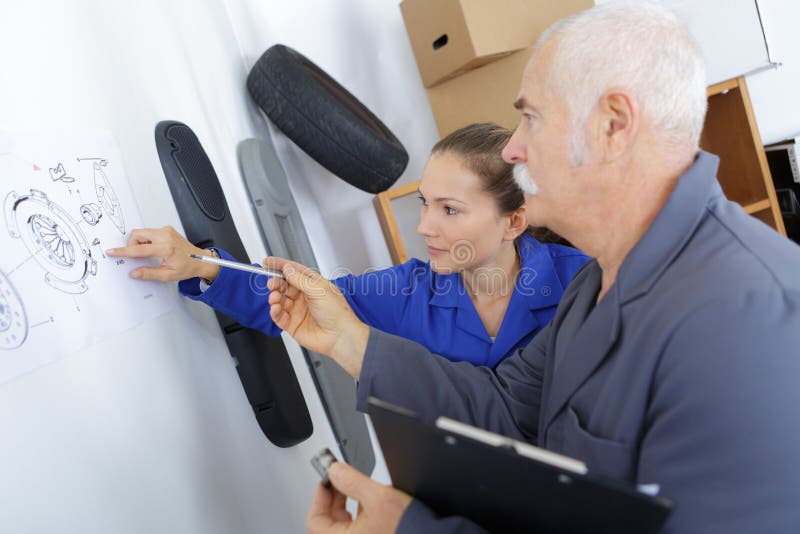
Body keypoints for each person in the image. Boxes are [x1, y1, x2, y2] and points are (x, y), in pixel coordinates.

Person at [263, 2, 800, 533]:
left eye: (531, 119)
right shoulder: (596, 284)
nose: (514, 149)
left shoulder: (753, 320)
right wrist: (347, 341)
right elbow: (504, 409)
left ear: (613, 125)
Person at [108, 123, 588, 368]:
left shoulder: (585, 281)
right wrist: (201, 264)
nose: (424, 227)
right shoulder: (405, 291)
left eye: (450, 209)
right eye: (424, 203)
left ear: (513, 222)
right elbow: (300, 298)